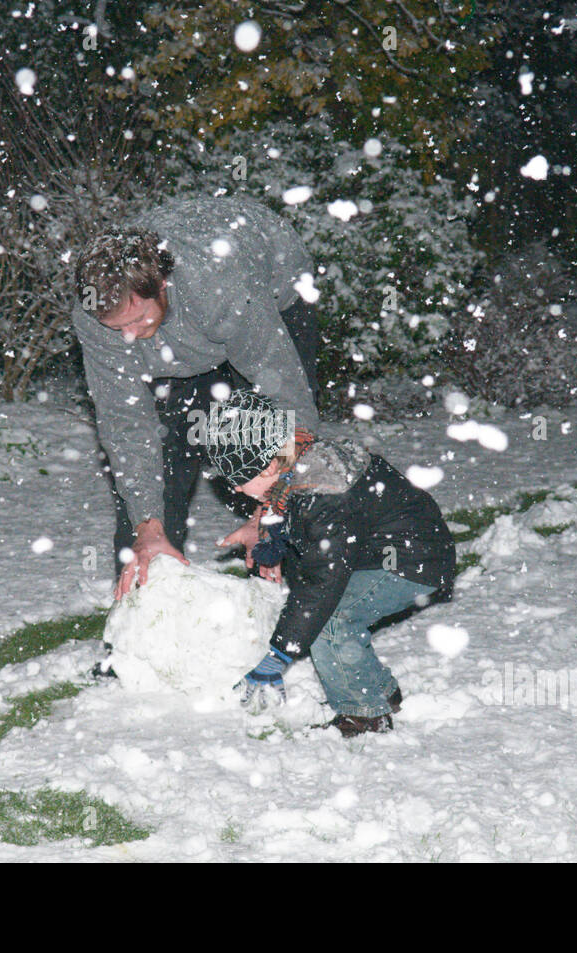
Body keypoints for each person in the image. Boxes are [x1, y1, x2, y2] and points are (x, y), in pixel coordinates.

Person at [71, 195, 320, 599]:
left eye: (136, 320)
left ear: (162, 285)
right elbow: (125, 423)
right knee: (161, 469)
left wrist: (272, 508)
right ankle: (147, 610)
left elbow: (290, 405)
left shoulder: (224, 289)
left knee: (268, 452)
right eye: (118, 328)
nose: (128, 337)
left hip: (273, 286)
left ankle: (298, 608)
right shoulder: (97, 314)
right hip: (185, 335)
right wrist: (147, 525)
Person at [206, 390, 456, 737]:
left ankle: (365, 715)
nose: (233, 488)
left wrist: (280, 652)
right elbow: (311, 545)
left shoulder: (322, 494)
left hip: (412, 560)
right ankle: (379, 691)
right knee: (332, 612)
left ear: (266, 467)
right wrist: (275, 543)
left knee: (332, 620)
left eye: (236, 478)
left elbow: (321, 582)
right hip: (394, 550)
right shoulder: (300, 468)